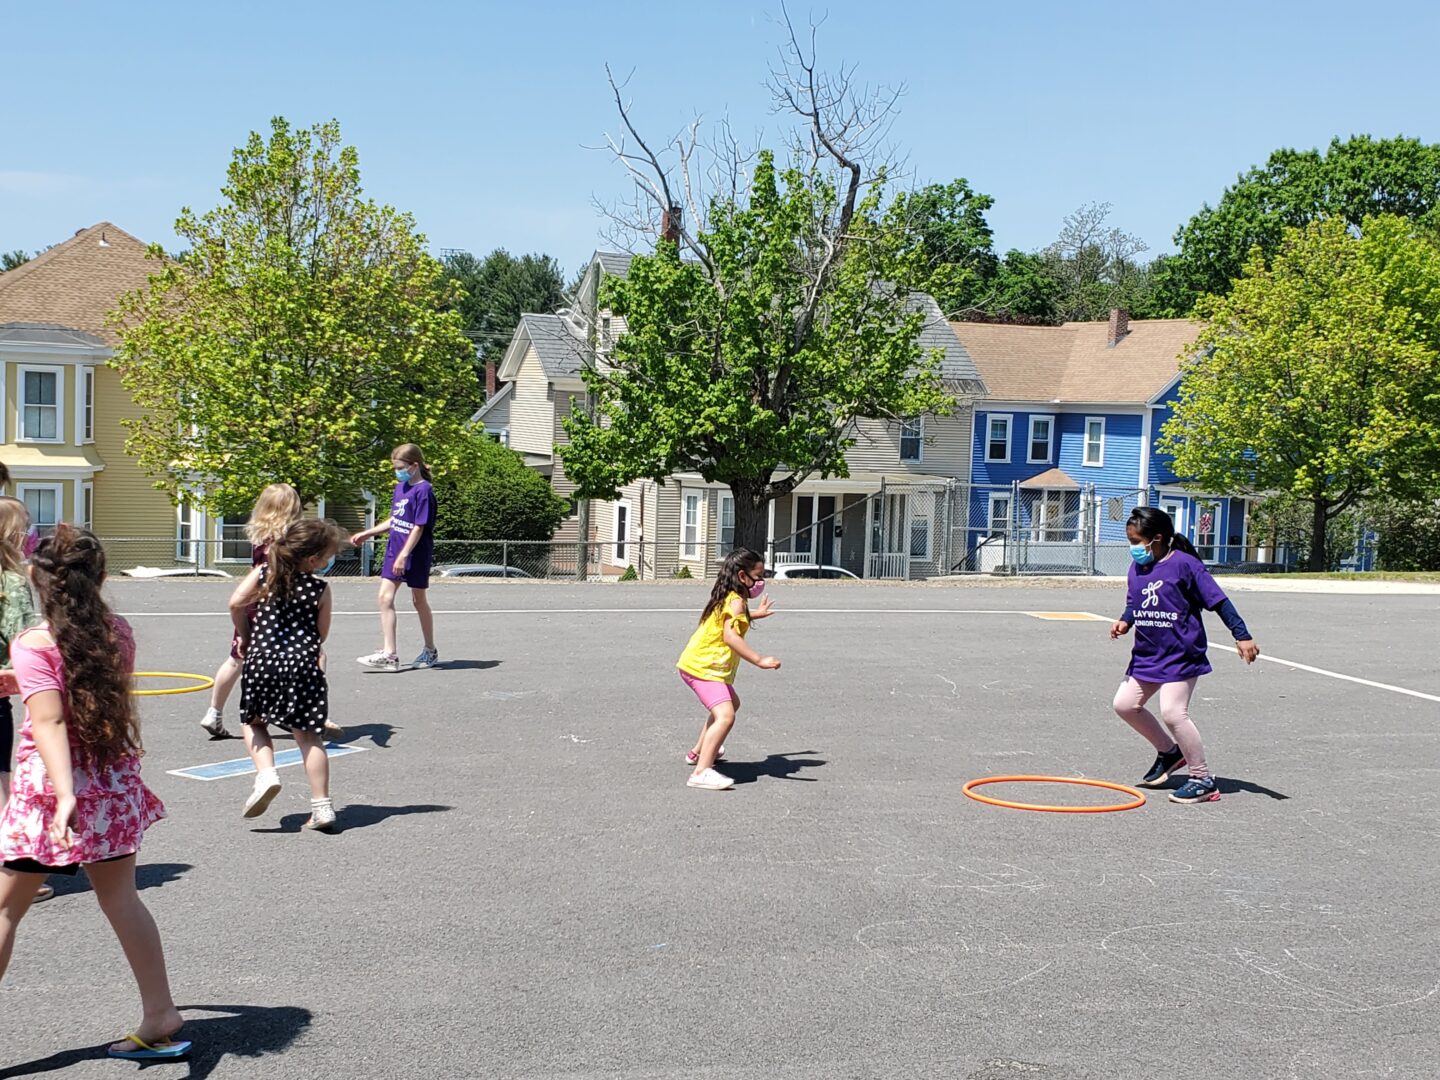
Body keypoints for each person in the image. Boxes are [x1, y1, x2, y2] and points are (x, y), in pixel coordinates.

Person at [0, 526, 189, 1061]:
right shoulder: (117, 631)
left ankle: (160, 1014)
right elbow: (81, 688)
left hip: (52, 795)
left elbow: (52, 722)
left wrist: (63, 795)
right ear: (101, 577)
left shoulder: (33, 642)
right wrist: (24, 680)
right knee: (121, 899)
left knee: (6, 910)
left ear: (37, 579)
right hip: (109, 782)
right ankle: (160, 1013)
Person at [1110, 506, 1260, 804]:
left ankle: (1202, 778)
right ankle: (1169, 752)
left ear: (1158, 539)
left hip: (1181, 653)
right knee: (1125, 705)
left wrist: (1241, 635)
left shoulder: (1185, 565)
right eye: (1130, 541)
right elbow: (1135, 601)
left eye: (1137, 541)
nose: (1133, 549)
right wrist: (1126, 620)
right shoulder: (1137, 568)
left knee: (1173, 713)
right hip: (1147, 654)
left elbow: (1219, 601)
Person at [232, 519, 346, 830]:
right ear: (313, 560)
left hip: (263, 660)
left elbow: (236, 603)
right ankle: (322, 806)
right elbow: (320, 635)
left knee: (254, 722)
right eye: (327, 557)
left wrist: (245, 635)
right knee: (309, 736)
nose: (328, 563)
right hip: (302, 664)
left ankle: (267, 774)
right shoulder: (320, 589)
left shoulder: (263, 574)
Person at [200, 483, 303, 739]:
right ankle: (286, 710)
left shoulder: (259, 534)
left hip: (251, 601)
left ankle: (214, 711)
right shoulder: (290, 538)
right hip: (274, 605)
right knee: (294, 656)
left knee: (237, 657)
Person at [675, 548, 780, 791]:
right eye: (759, 575)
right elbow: (731, 636)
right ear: (743, 576)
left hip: (698, 664)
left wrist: (756, 614)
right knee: (726, 715)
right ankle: (701, 772)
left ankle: (698, 752)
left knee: (731, 704)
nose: (761, 582)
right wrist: (759, 660)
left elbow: (734, 617)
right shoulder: (734, 600)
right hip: (703, 668)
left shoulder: (732, 597)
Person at [350, 444, 438, 671]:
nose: (397, 471)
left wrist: (404, 555)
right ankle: (390, 654)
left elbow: (419, 527)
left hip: (414, 553)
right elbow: (395, 520)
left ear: (414, 465)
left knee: (419, 601)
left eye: (400, 467)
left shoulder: (424, 490)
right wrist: (368, 533)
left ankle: (430, 650)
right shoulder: (400, 488)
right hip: (394, 550)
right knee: (384, 598)